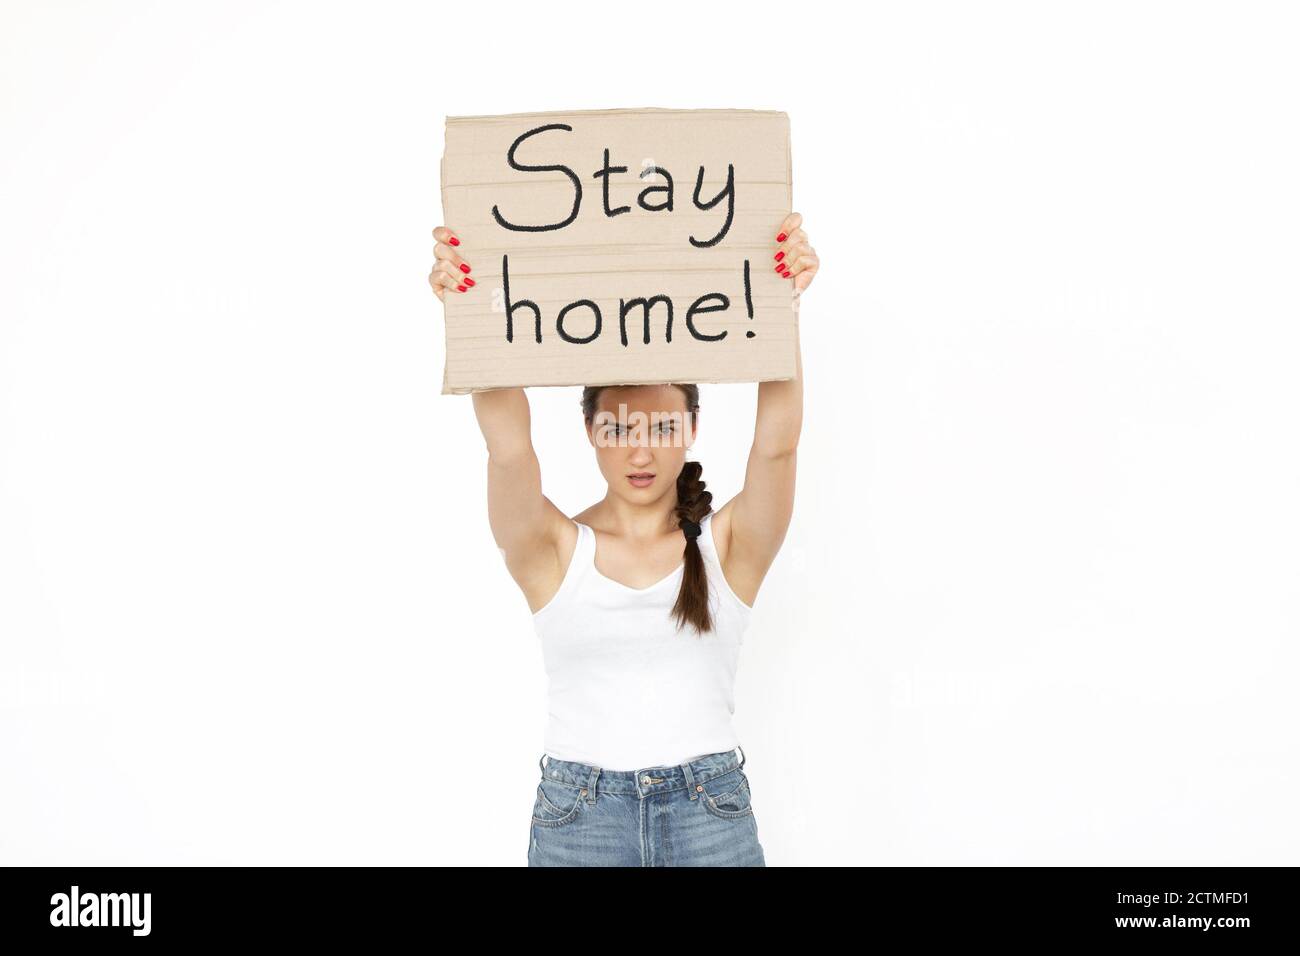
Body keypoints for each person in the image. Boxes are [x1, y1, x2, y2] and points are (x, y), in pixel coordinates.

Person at [428, 214, 819, 866]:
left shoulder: (729, 549)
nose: (641, 450)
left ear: (691, 428)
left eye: (662, 428)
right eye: (619, 426)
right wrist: (467, 307)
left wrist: (784, 302)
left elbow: (777, 445)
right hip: (581, 820)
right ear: (590, 430)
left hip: (709, 817)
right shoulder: (553, 550)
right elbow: (508, 447)